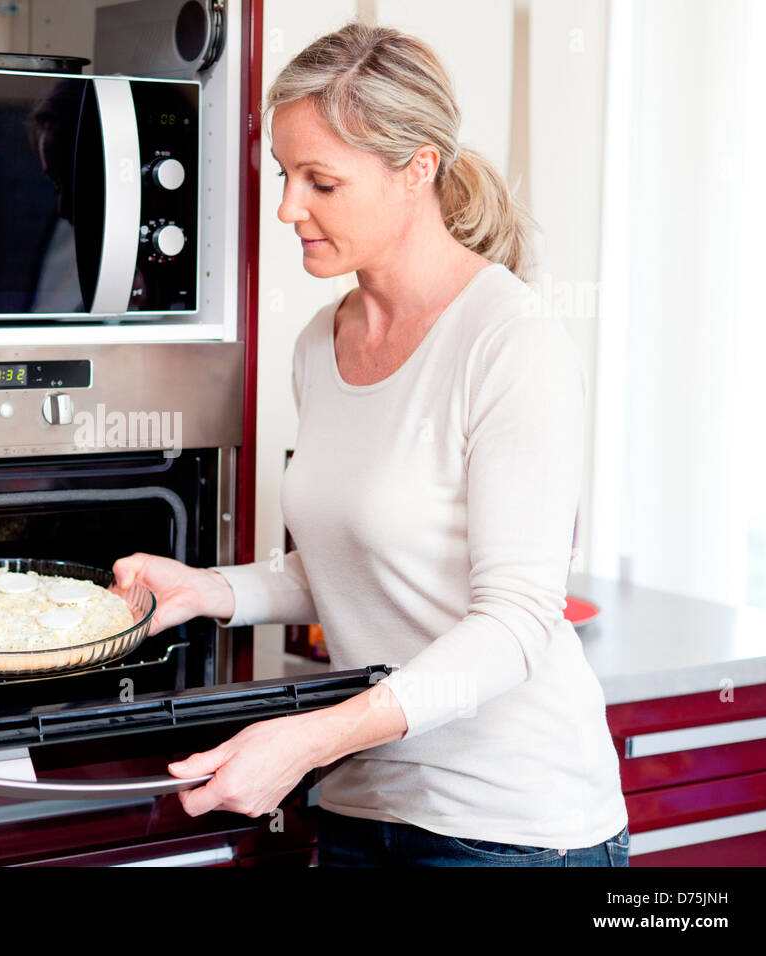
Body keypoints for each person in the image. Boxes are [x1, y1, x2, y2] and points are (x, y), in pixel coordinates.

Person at [112, 21, 629, 867]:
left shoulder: (510, 344)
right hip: (367, 806)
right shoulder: (324, 341)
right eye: (284, 175)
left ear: (418, 167)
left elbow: (514, 623)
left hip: (511, 832)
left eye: (321, 181)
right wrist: (204, 590)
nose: (287, 208)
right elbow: (345, 567)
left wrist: (313, 739)